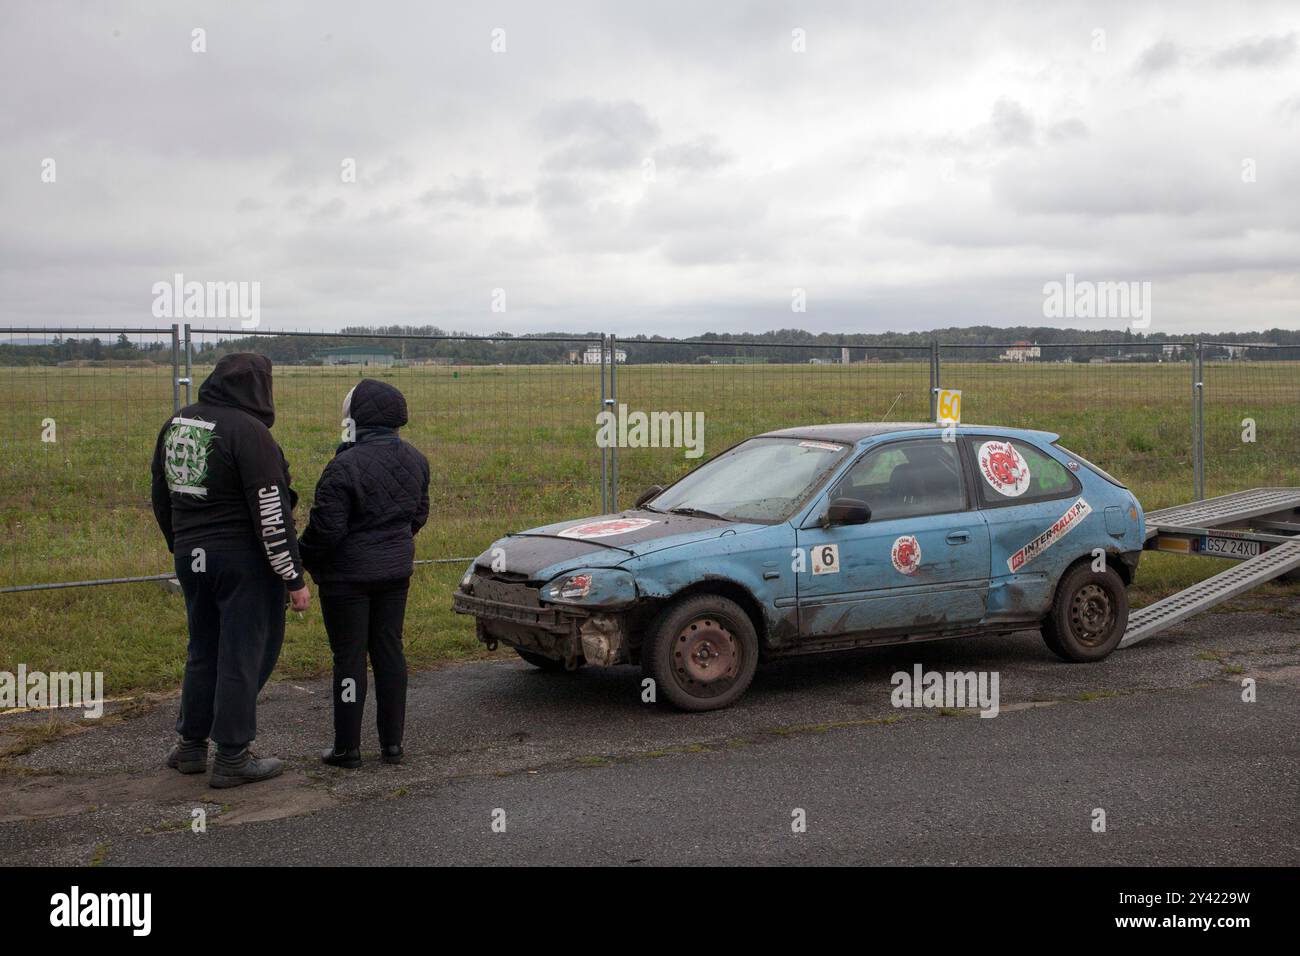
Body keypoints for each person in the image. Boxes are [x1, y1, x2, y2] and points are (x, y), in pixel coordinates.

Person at [150, 352, 310, 789]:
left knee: (202, 649)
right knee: (243, 655)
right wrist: (292, 576)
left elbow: (160, 496)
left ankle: (191, 747)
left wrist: (180, 546)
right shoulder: (250, 433)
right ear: (260, 387)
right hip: (243, 562)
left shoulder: (178, 423)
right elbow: (272, 512)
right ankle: (233, 757)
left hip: (192, 557)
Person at [300, 379, 429, 768]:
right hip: (395, 573)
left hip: (346, 580)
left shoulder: (343, 466)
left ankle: (347, 748)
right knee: (390, 652)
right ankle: (393, 745)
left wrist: (302, 559)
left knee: (349, 659)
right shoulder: (416, 460)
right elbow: (417, 515)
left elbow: (327, 530)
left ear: (356, 417)